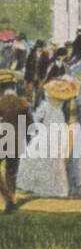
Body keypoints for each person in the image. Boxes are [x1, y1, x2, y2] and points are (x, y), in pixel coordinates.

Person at [15, 78, 75, 199]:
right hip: (53, 137)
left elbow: (36, 118)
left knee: (40, 158)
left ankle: (41, 186)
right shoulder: (59, 109)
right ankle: (50, 187)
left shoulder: (47, 107)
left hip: (47, 136)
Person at [0, 74, 33, 211]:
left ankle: (8, 196)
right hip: (17, 141)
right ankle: (11, 196)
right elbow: (30, 125)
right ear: (14, 87)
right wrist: (28, 141)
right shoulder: (23, 103)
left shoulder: (0, 103)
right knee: (11, 172)